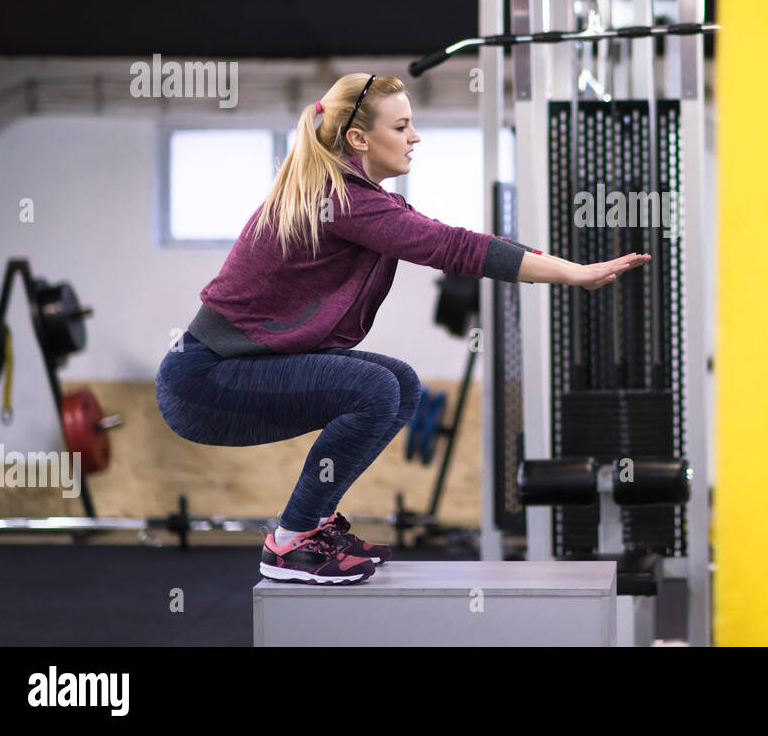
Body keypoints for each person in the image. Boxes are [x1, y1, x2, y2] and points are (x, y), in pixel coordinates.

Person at [154, 73, 649, 585]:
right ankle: (291, 541)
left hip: (237, 370)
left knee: (401, 384)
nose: (415, 137)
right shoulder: (342, 198)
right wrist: (574, 274)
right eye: (402, 125)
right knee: (372, 389)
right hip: (203, 382)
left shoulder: (362, 197)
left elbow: (454, 239)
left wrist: (569, 267)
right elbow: (453, 248)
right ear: (359, 139)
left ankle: (314, 527)